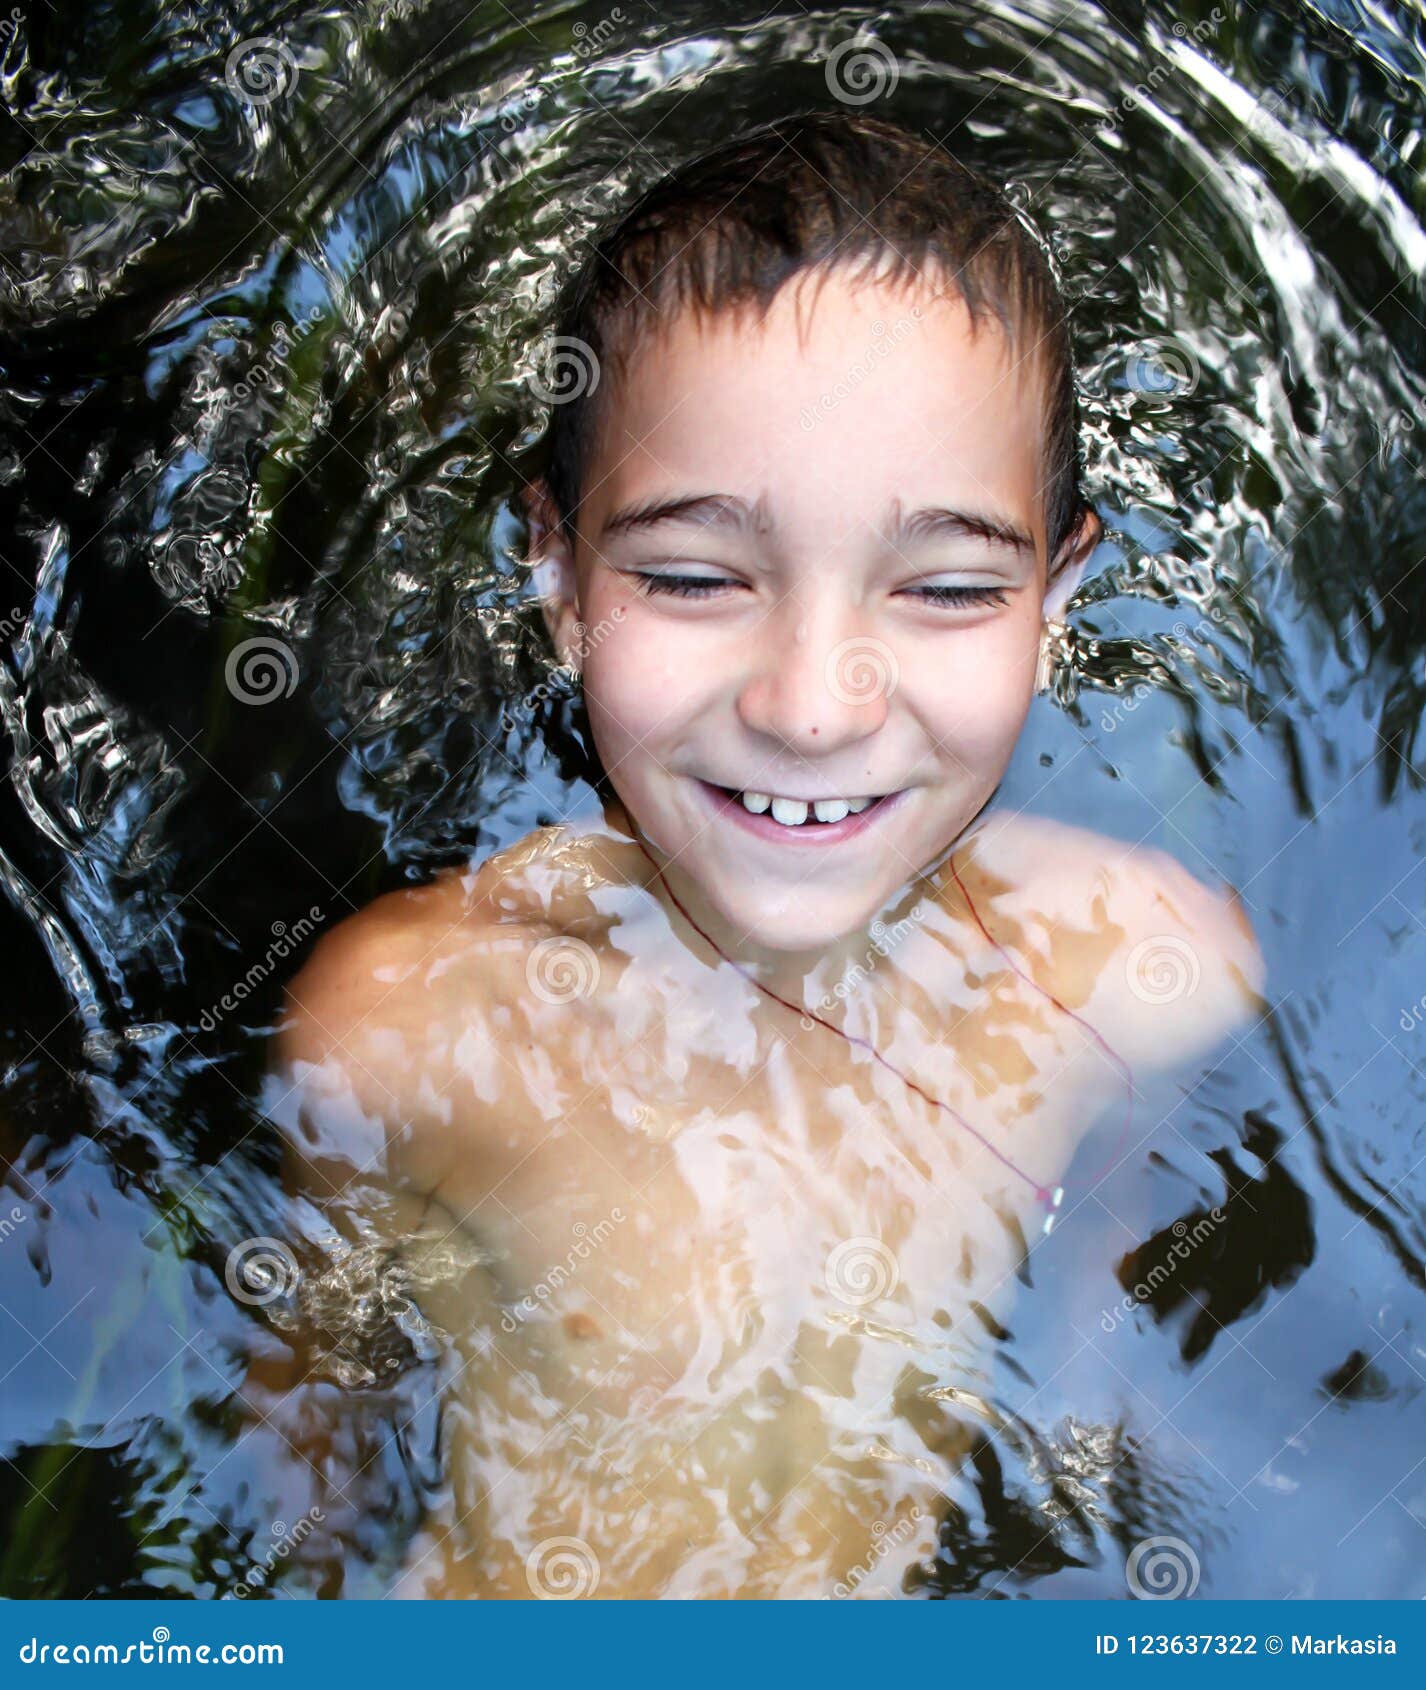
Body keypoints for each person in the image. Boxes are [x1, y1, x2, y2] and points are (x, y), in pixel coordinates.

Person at [267, 110, 1265, 1598]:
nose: (810, 706)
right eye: (689, 575)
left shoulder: (1140, 972)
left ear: (1058, 593)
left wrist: (1089, 1383)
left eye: (940, 589)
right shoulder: (413, 1026)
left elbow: (1118, 1229)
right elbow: (309, 1446)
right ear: (555, 574)